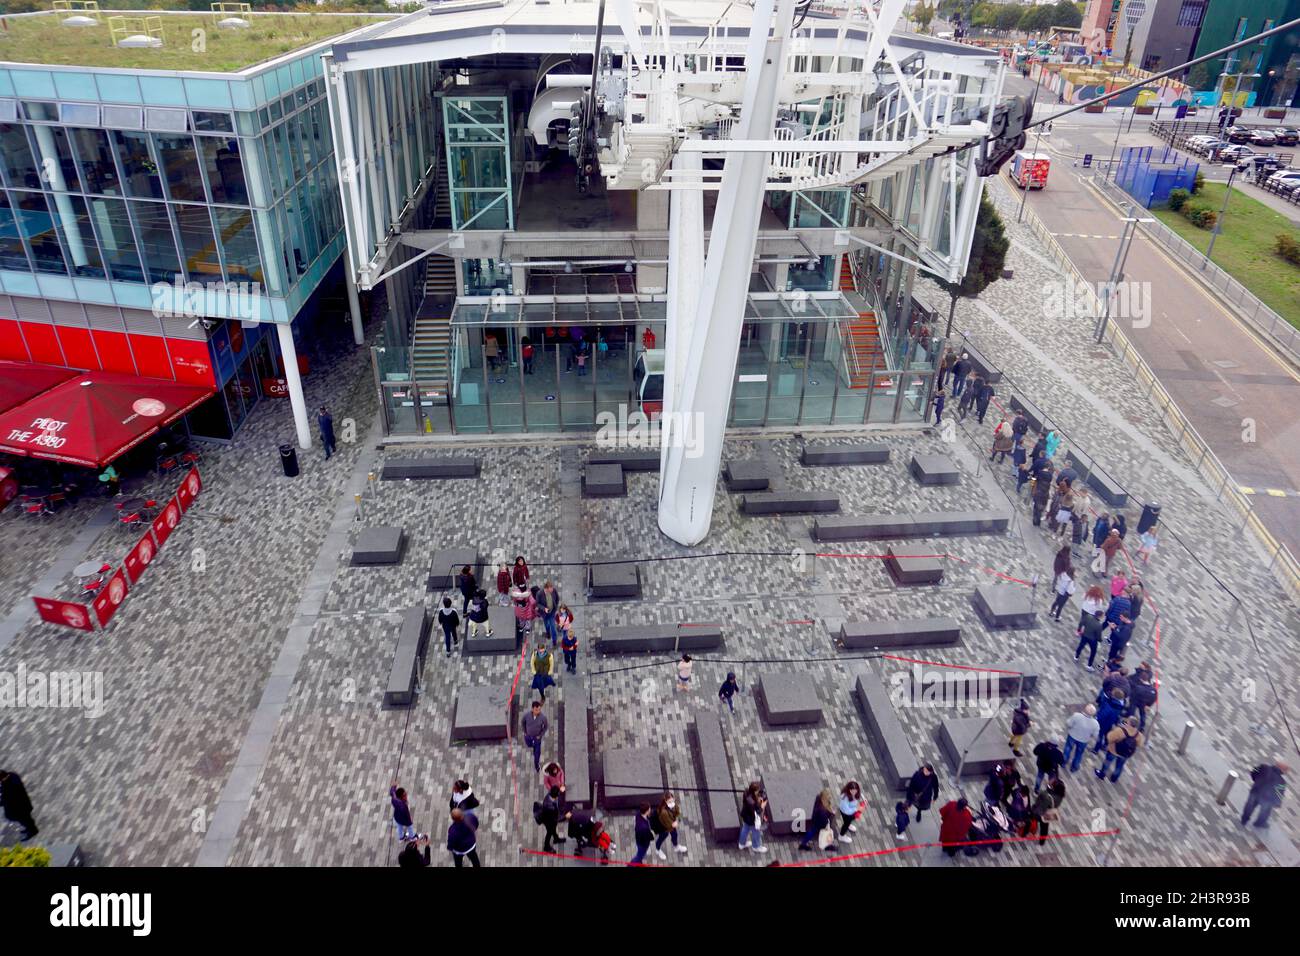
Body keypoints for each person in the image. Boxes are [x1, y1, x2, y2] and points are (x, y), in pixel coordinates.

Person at [1241, 761, 1288, 829]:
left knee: (1250, 806)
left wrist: (1256, 780)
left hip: (1256, 790)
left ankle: (1244, 819)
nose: (1286, 772)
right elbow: (1279, 793)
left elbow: (1254, 771)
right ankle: (1259, 823)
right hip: (1267, 798)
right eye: (1286, 770)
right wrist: (1278, 803)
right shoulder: (1282, 781)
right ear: (1282, 770)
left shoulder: (1263, 767)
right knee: (1265, 811)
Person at [1097, 716, 1143, 783]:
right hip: (1125, 754)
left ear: (1129, 724)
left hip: (1113, 750)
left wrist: (1116, 729)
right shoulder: (1139, 735)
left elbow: (1109, 737)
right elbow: (1139, 744)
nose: (1126, 722)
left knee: (1108, 762)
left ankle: (1102, 774)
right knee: (1119, 766)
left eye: (1127, 721)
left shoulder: (1120, 730)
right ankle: (1114, 778)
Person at [0, 769, 37, 841]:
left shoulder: (11, 787)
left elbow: (7, 799)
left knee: (25, 820)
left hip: (19, 808)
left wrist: (1, 802)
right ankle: (31, 829)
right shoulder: (12, 776)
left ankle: (32, 832)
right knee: (27, 819)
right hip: (22, 805)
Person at [1063, 705, 1100, 773]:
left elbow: (1068, 723)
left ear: (1085, 710)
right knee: (1079, 753)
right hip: (1083, 740)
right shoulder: (1095, 723)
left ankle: (1064, 762)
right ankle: (1074, 767)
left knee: (1068, 748)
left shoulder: (1077, 715)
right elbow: (1095, 735)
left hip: (1072, 736)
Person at [1030, 778, 1064, 846]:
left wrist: (1034, 811)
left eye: (1052, 782)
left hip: (1041, 813)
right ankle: (1042, 841)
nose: (1049, 781)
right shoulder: (1060, 795)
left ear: (1053, 787)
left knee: (1031, 819)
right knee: (1044, 828)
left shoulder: (1046, 795)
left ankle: (1029, 830)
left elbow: (1041, 807)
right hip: (1049, 812)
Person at [653, 792, 687, 859]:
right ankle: (657, 850)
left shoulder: (674, 805)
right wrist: (676, 822)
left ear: (674, 799)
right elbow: (670, 825)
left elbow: (678, 813)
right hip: (663, 828)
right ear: (666, 801)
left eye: (672, 801)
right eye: (669, 802)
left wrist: (678, 820)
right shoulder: (664, 812)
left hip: (671, 824)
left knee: (674, 835)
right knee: (661, 838)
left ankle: (676, 847)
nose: (671, 803)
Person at [738, 782, 769, 853]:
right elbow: (757, 811)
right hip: (752, 820)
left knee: (745, 829)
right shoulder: (752, 802)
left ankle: (741, 844)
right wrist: (762, 806)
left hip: (745, 816)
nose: (758, 792)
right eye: (757, 790)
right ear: (754, 791)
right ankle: (756, 846)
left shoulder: (746, 792)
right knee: (756, 833)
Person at [1093, 688, 1127, 753]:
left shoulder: (1110, 705)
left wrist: (1096, 718)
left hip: (1103, 723)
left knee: (1100, 735)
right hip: (1111, 722)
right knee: (1107, 733)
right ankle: (1106, 745)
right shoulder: (1120, 705)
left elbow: (1102, 715)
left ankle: (1096, 749)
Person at [522, 699, 549, 772]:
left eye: (539, 710)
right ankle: (532, 746)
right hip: (528, 736)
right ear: (532, 709)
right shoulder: (527, 715)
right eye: (536, 710)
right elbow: (523, 722)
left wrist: (540, 735)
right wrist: (525, 732)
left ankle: (536, 765)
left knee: (537, 753)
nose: (538, 711)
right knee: (529, 745)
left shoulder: (543, 718)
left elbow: (546, 727)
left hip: (537, 738)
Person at [1127, 665, 1156, 732]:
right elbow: (1153, 698)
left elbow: (1133, 696)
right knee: (1143, 714)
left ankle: (1130, 722)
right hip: (1144, 704)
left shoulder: (1139, 688)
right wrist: (1148, 705)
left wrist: (1131, 701)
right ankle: (1142, 726)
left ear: (1141, 679)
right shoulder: (1153, 689)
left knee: (1132, 711)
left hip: (1135, 702)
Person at [540, 786, 566, 854]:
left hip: (551, 819)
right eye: (558, 794)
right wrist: (565, 816)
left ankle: (556, 839)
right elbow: (556, 818)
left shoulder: (550, 794)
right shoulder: (550, 807)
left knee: (553, 830)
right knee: (549, 832)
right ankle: (546, 846)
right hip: (549, 821)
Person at [537, 581, 561, 646]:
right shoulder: (539, 593)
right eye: (551, 590)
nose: (552, 590)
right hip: (544, 614)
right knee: (547, 625)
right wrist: (544, 608)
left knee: (553, 627)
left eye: (552, 589)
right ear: (546, 589)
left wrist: (555, 607)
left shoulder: (553, 590)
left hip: (552, 613)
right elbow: (538, 604)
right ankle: (548, 633)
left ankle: (554, 641)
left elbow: (557, 598)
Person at [557, 606, 578, 673]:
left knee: (573, 660)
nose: (571, 638)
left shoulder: (574, 639)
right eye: (570, 637)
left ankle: (573, 668)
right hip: (566, 652)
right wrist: (569, 648)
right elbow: (563, 646)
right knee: (567, 660)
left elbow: (576, 645)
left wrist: (574, 646)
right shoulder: (564, 639)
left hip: (573, 652)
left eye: (571, 637)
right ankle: (569, 665)